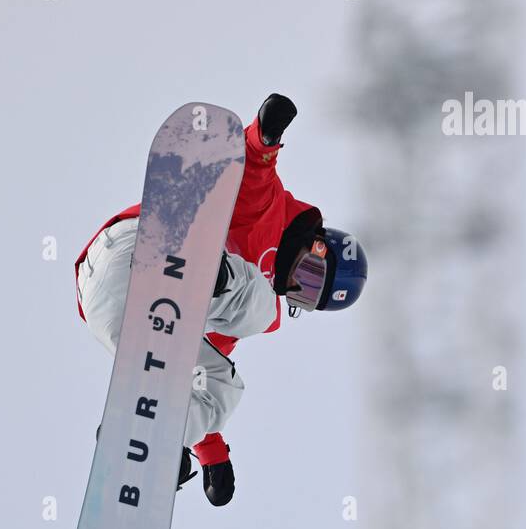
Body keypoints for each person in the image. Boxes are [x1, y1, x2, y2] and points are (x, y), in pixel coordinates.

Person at [74, 94, 367, 507]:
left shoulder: (242, 310)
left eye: (308, 294)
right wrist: (266, 136)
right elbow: (255, 170)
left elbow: (202, 373)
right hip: (141, 250)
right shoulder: (269, 213)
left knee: (222, 385)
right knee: (266, 313)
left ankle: (157, 436)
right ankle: (209, 272)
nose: (297, 284)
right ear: (316, 242)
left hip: (111, 308)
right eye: (311, 271)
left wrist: (211, 454)